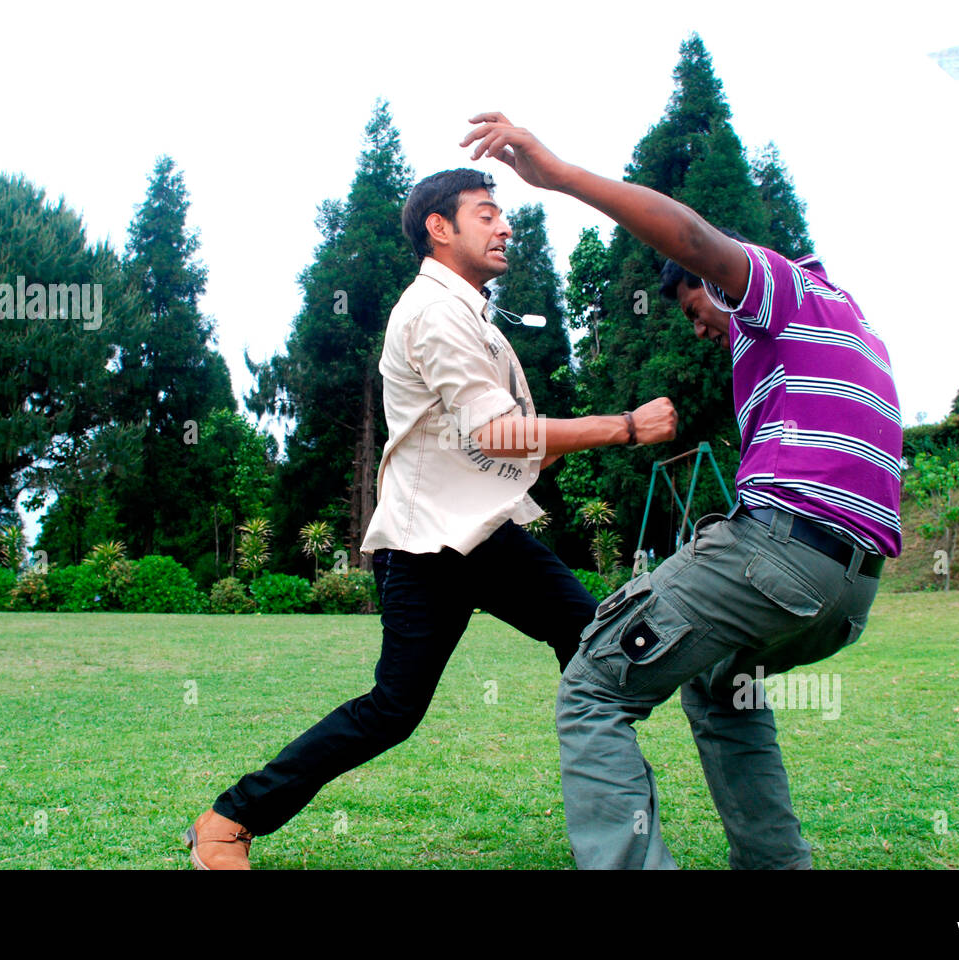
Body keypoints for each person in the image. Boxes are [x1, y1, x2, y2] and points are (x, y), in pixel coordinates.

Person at [183, 168, 679, 870]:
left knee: (591, 640)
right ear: (439, 229)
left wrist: (548, 448)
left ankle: (616, 832)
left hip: (482, 535)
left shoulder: (477, 318)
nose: (504, 226)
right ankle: (227, 821)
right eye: (486, 214)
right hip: (425, 546)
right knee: (395, 709)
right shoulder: (434, 311)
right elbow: (498, 434)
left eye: (502, 214)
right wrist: (623, 427)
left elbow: (516, 446)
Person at [461, 113, 903, 869]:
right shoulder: (853, 325)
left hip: (783, 551)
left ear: (721, 287)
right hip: (850, 591)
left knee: (593, 684)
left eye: (696, 309)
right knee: (720, 685)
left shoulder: (783, 294)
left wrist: (560, 176)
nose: (699, 328)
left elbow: (693, 241)